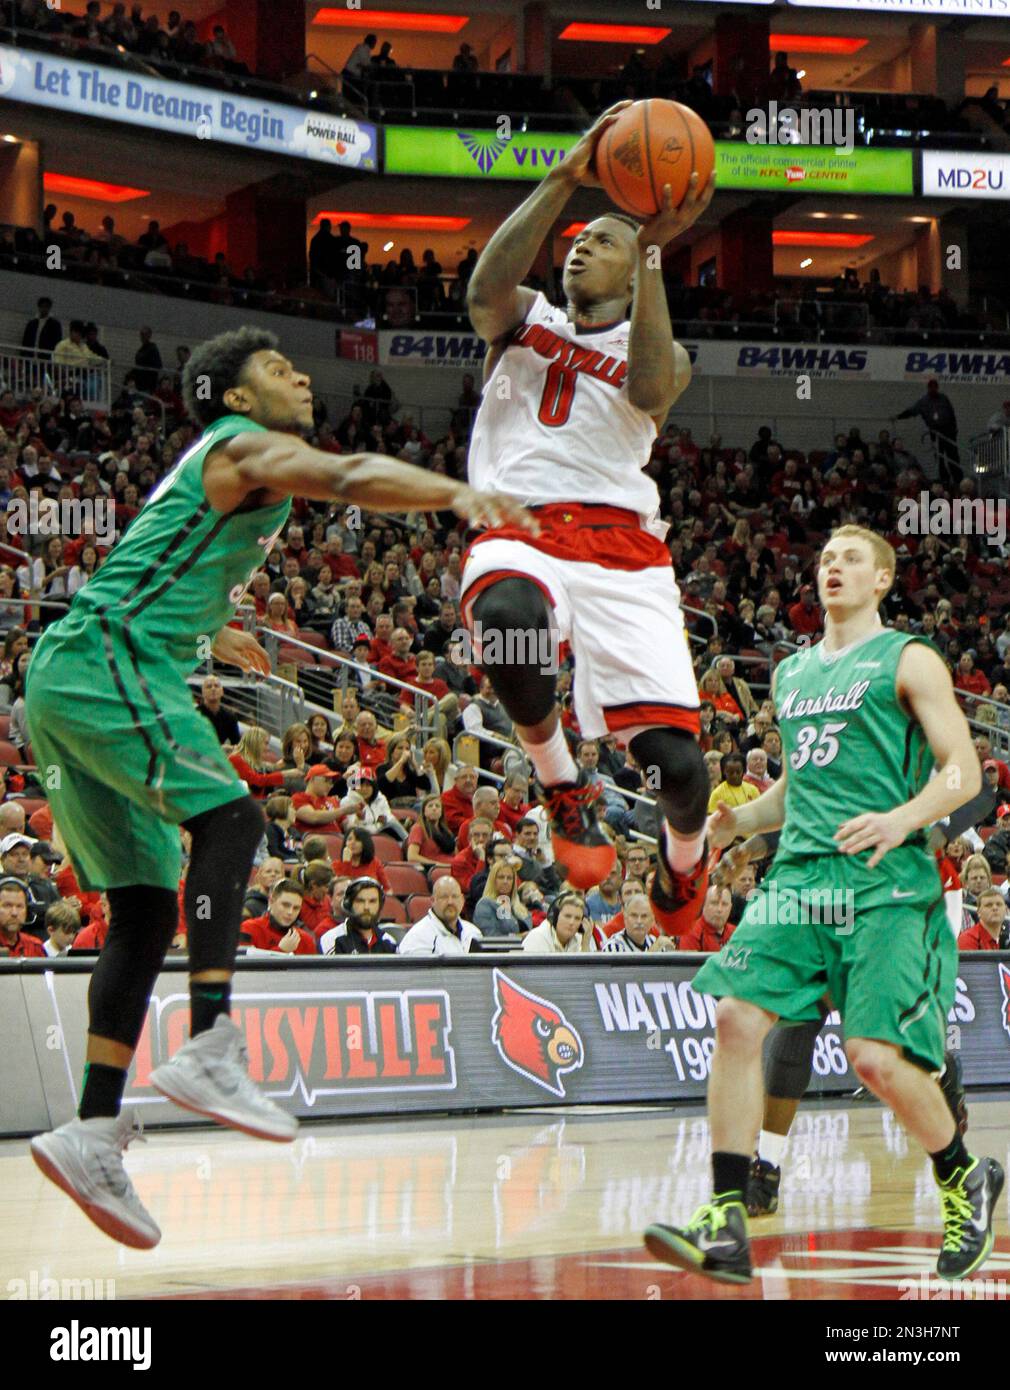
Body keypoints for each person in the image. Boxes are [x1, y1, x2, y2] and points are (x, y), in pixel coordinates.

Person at [25, 325, 533, 1250]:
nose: (299, 373)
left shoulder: (223, 472)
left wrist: (215, 632)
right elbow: (344, 479)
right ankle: (210, 1041)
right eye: (274, 367)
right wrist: (463, 494)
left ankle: (93, 1130)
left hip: (72, 678)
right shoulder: (241, 449)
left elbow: (160, 569)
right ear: (234, 398)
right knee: (234, 819)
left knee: (142, 909)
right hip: (104, 660)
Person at [643, 525, 1001, 1287]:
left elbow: (962, 771)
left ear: (882, 579)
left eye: (851, 558)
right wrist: (743, 821)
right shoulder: (795, 674)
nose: (833, 566)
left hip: (884, 879)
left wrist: (904, 818)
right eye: (825, 558)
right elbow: (800, 788)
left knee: (873, 1059)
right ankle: (728, 1216)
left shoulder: (908, 658)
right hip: (801, 878)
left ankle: (963, 1176)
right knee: (738, 1017)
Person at [463, 100, 715, 941]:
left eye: (602, 241)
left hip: (623, 549)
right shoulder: (523, 319)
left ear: (636, 267)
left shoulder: (664, 349)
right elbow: (482, 290)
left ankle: (686, 864)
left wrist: (649, 248)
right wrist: (564, 177)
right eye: (580, 239)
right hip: (521, 521)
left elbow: (647, 389)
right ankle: (562, 780)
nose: (581, 245)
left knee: (682, 770)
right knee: (506, 618)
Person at [897, 378, 961, 488]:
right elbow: (912, 411)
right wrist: (899, 416)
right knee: (940, 459)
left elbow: (951, 413)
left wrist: (954, 429)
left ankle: (958, 480)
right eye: (931, 387)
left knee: (953, 457)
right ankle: (944, 480)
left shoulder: (943, 398)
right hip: (936, 433)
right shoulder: (923, 402)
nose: (933, 389)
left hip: (949, 432)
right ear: (928, 388)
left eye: (934, 387)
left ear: (937, 388)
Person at [398, 873, 482, 955]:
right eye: (444, 897)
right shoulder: (418, 937)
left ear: (462, 900)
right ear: (432, 901)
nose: (450, 902)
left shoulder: (473, 932)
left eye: (455, 896)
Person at [241, 878, 317, 955]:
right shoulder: (249, 929)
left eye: (296, 908)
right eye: (285, 905)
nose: (290, 912)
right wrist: (281, 950)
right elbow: (242, 965)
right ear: (271, 902)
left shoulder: (306, 940)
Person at [323, 877, 397, 955]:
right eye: (360, 901)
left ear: (380, 905)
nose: (366, 907)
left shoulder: (389, 942)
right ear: (349, 905)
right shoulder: (331, 940)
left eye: (372, 901)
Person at [522, 891, 594, 954]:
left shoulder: (579, 939)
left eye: (577, 918)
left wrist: (585, 944)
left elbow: (586, 969)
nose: (572, 922)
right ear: (555, 917)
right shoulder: (538, 938)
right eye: (567, 916)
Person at [676, 882, 735, 952]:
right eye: (714, 903)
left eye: (724, 904)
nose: (719, 909)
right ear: (703, 905)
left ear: (730, 908)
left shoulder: (736, 932)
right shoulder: (691, 934)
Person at [605, 892, 673, 953]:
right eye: (634, 915)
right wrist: (653, 952)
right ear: (625, 918)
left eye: (644, 916)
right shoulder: (613, 947)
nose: (639, 921)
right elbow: (629, 967)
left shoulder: (653, 941)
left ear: (652, 920)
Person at [196, 674, 240, 746]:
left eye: (216, 686)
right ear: (203, 693)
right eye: (209, 686)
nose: (213, 689)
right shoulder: (194, 715)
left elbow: (236, 744)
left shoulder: (230, 717)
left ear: (222, 691)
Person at [958, 886, 1007, 950]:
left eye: (999, 904)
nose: (995, 908)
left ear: (1006, 910)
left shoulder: (1006, 938)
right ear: (978, 912)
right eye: (988, 905)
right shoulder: (968, 939)